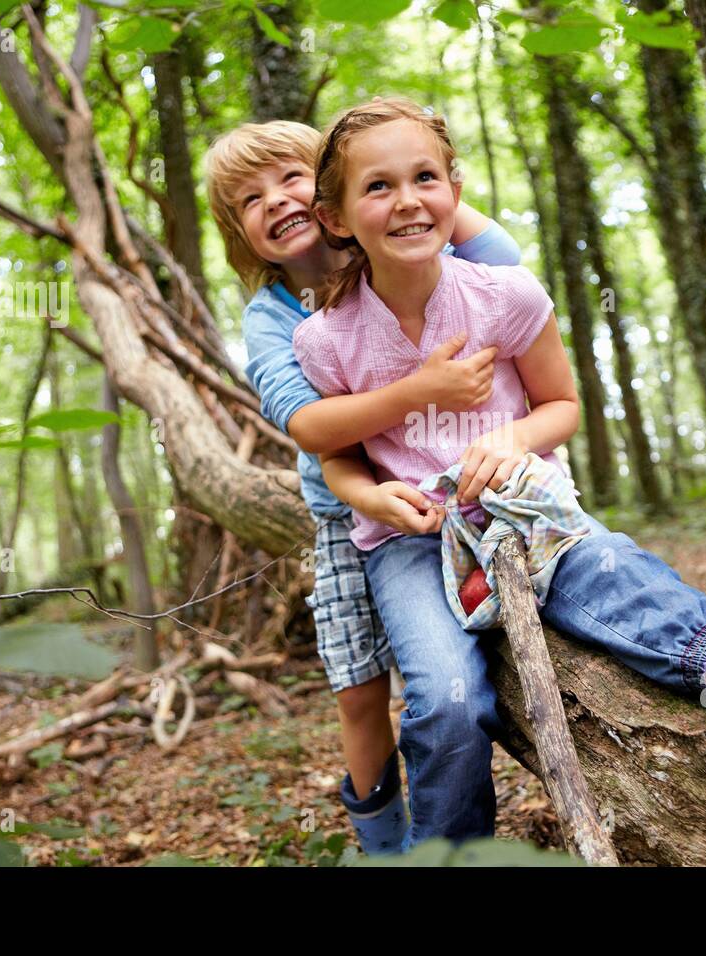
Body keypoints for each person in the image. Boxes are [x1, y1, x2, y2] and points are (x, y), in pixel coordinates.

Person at [291, 96, 706, 849]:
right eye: (377, 186)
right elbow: (334, 454)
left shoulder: (506, 296)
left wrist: (514, 441)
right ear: (336, 218)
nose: (407, 200)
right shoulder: (326, 339)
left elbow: (561, 403)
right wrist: (374, 496)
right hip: (414, 542)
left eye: (425, 176)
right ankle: (448, 857)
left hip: (523, 509)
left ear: (455, 192)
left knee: (611, 569)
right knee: (447, 700)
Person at [204, 118, 521, 854]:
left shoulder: (392, 249)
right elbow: (310, 424)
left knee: (452, 667)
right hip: (351, 515)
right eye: (250, 200)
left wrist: (404, 173)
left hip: (457, 489)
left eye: (292, 178)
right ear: (239, 235)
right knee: (360, 690)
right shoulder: (270, 317)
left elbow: (501, 256)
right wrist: (419, 391)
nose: (277, 201)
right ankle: (383, 844)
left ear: (330, 195)